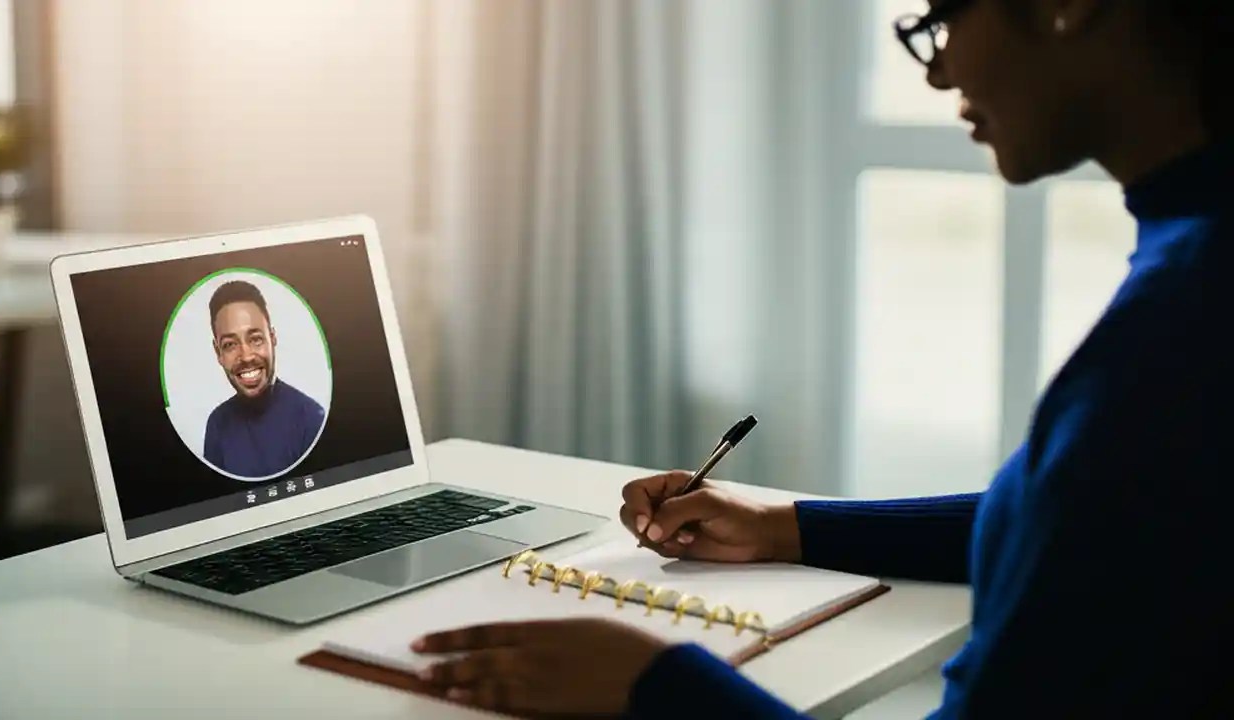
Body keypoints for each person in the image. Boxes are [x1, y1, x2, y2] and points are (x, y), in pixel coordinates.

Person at [408, 0, 1232, 716]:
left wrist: (654, 681)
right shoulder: (1188, 267)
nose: (941, 71)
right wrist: (788, 528)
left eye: (941, 19)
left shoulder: (1177, 333)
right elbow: (1086, 523)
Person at [202, 279, 325, 477]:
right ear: (218, 352)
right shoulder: (217, 424)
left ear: (272, 337)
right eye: (230, 345)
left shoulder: (311, 419)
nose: (246, 356)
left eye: (256, 339)